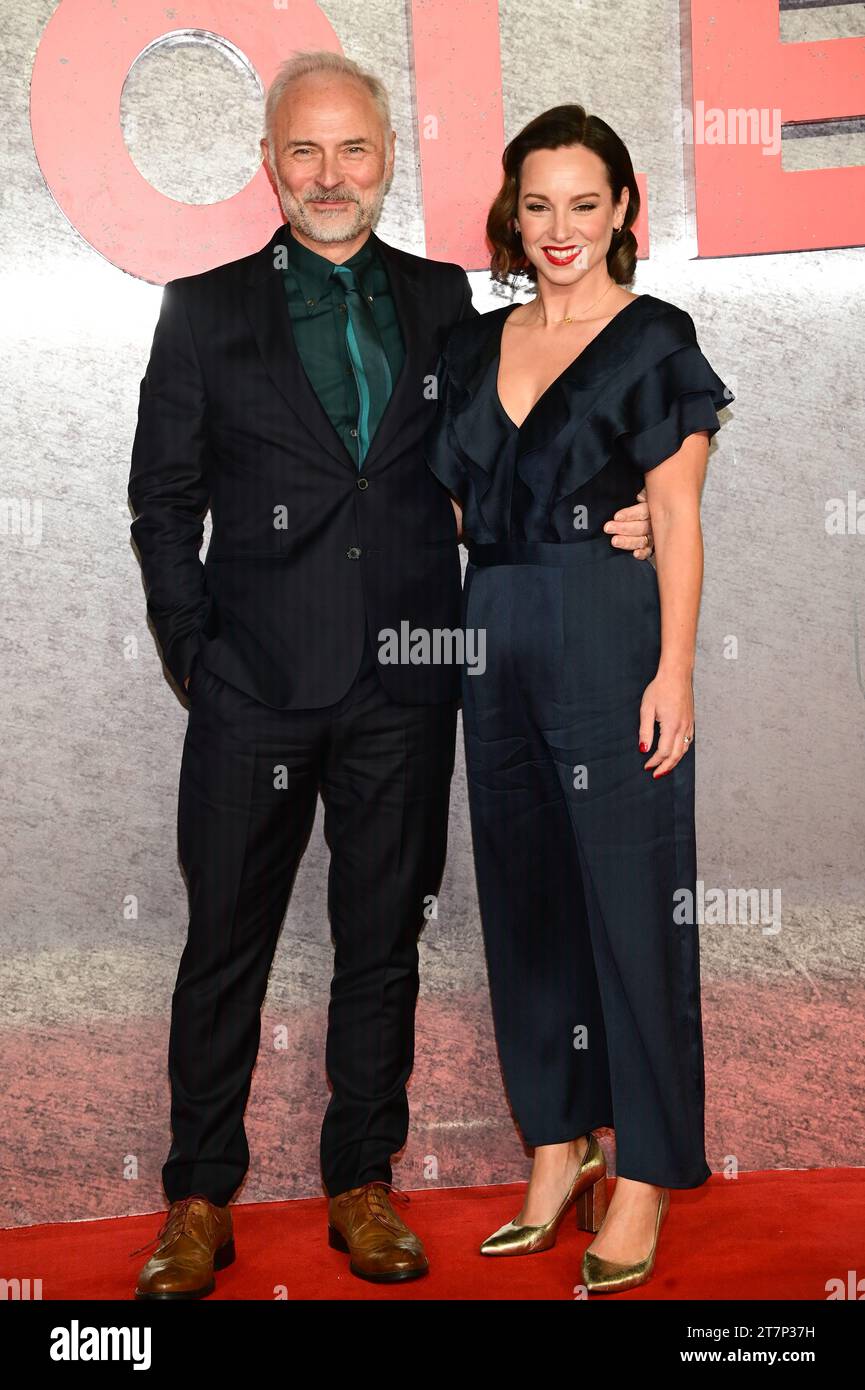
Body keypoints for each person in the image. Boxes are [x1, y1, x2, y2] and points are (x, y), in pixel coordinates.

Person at [127, 56, 657, 1298]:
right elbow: (161, 506)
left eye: (353, 150)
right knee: (223, 950)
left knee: (382, 948)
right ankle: (198, 1197)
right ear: (272, 162)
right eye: (304, 152)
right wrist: (197, 656)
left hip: (407, 688)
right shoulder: (202, 310)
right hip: (251, 688)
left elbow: (533, 436)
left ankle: (361, 1182)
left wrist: (622, 511)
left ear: (386, 158)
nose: (329, 176)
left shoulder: (446, 303)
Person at [424, 103, 733, 1295]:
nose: (560, 228)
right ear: (515, 212)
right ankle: (556, 1150)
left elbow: (683, 515)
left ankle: (645, 1171)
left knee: (628, 906)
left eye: (584, 204)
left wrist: (674, 669)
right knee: (527, 904)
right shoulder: (469, 345)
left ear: (623, 209)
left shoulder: (655, 338)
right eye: (538, 204)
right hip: (491, 635)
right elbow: (453, 509)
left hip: (609, 639)